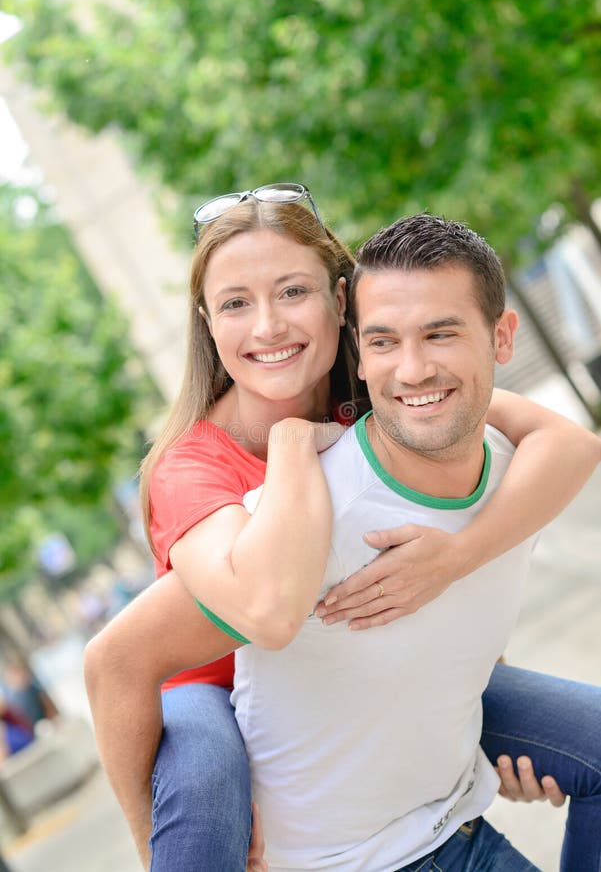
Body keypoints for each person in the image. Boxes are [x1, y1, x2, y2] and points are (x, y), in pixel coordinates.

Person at [83, 190, 601, 870]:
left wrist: (456, 563)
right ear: (207, 323)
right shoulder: (192, 466)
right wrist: (293, 446)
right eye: (236, 303)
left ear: (339, 299)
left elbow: (567, 444)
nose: (268, 325)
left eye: (292, 292)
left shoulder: (385, 386)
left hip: (356, 673)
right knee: (205, 781)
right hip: (215, 687)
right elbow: (265, 613)